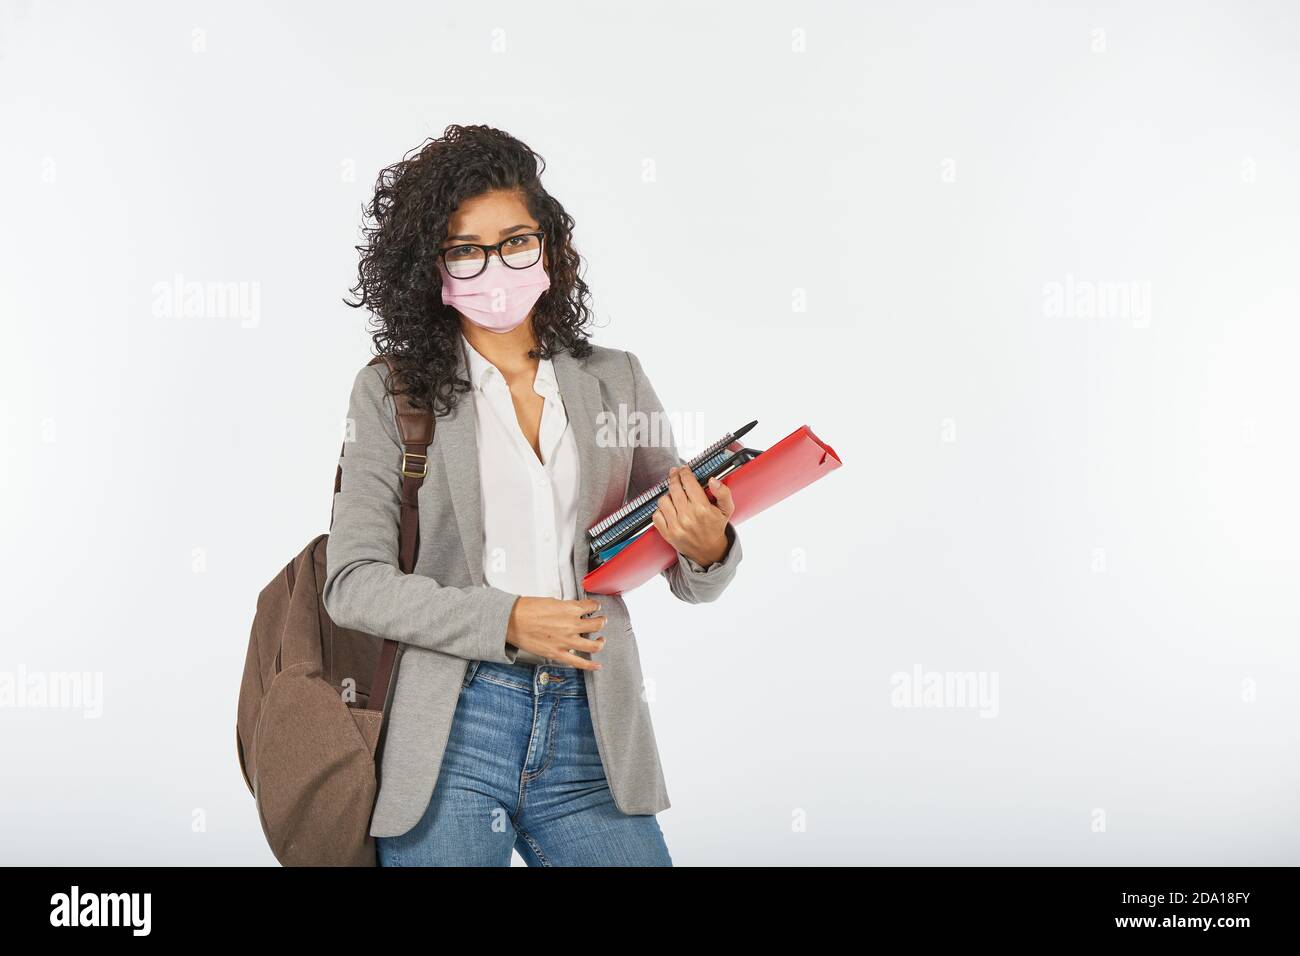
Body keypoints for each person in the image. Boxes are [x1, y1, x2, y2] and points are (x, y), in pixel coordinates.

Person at [323, 124, 744, 866]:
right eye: (466, 249)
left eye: (516, 241)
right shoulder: (391, 393)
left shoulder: (616, 379)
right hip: (453, 730)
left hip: (594, 726)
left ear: (547, 244)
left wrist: (709, 547)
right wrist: (508, 619)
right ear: (432, 267)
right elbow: (353, 586)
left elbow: (673, 556)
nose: (496, 268)